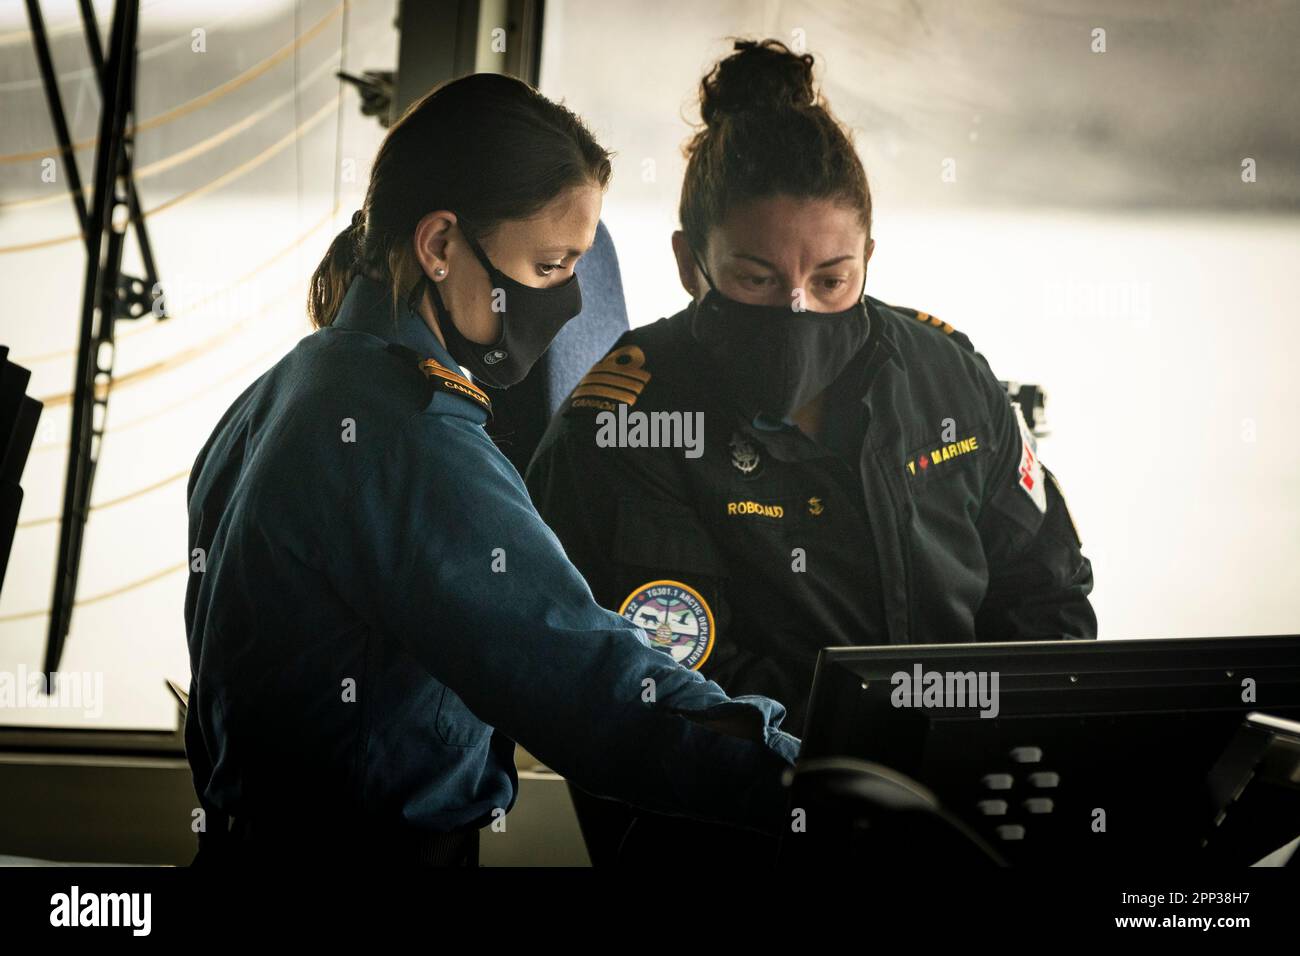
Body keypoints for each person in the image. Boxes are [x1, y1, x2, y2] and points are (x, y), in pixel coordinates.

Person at [183, 72, 801, 868]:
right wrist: (800, 772)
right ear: (440, 245)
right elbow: (583, 683)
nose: (571, 301)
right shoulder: (409, 438)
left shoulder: (290, 386)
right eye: (549, 267)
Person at [525, 39, 1097, 863]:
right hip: (744, 824)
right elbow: (679, 682)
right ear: (692, 263)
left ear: (870, 260)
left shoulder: (949, 376)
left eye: (832, 279)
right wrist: (898, 769)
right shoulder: (627, 427)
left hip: (967, 802)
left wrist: (1019, 744)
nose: (798, 308)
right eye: (756, 278)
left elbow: (1046, 589)